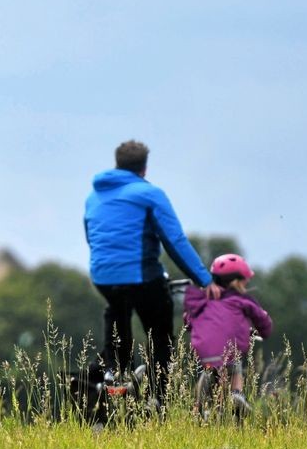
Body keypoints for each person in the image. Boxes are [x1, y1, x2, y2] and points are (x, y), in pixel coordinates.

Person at [83, 140, 220, 405]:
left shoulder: (93, 197)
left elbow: (92, 236)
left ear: (117, 163)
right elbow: (174, 240)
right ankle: (158, 398)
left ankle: (115, 374)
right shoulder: (150, 194)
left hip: (102, 274)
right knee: (158, 326)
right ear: (144, 169)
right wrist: (204, 278)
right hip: (140, 274)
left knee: (117, 310)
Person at [183, 254, 273, 413]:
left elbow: (189, 320)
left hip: (204, 352)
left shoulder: (204, 299)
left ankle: (198, 407)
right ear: (238, 282)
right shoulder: (242, 300)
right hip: (229, 352)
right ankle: (236, 395)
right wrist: (264, 331)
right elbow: (262, 319)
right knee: (235, 366)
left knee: (205, 370)